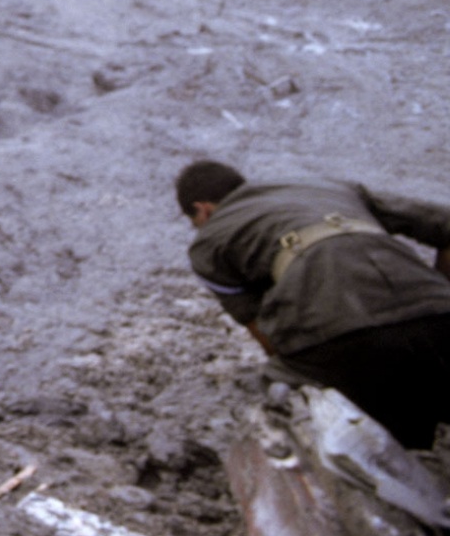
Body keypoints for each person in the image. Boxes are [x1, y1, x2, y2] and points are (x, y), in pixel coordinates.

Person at [176, 160, 450, 449]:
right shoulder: (332, 187)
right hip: (439, 316)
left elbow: (267, 338)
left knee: (282, 391)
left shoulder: (208, 244)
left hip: (344, 343)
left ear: (203, 209)